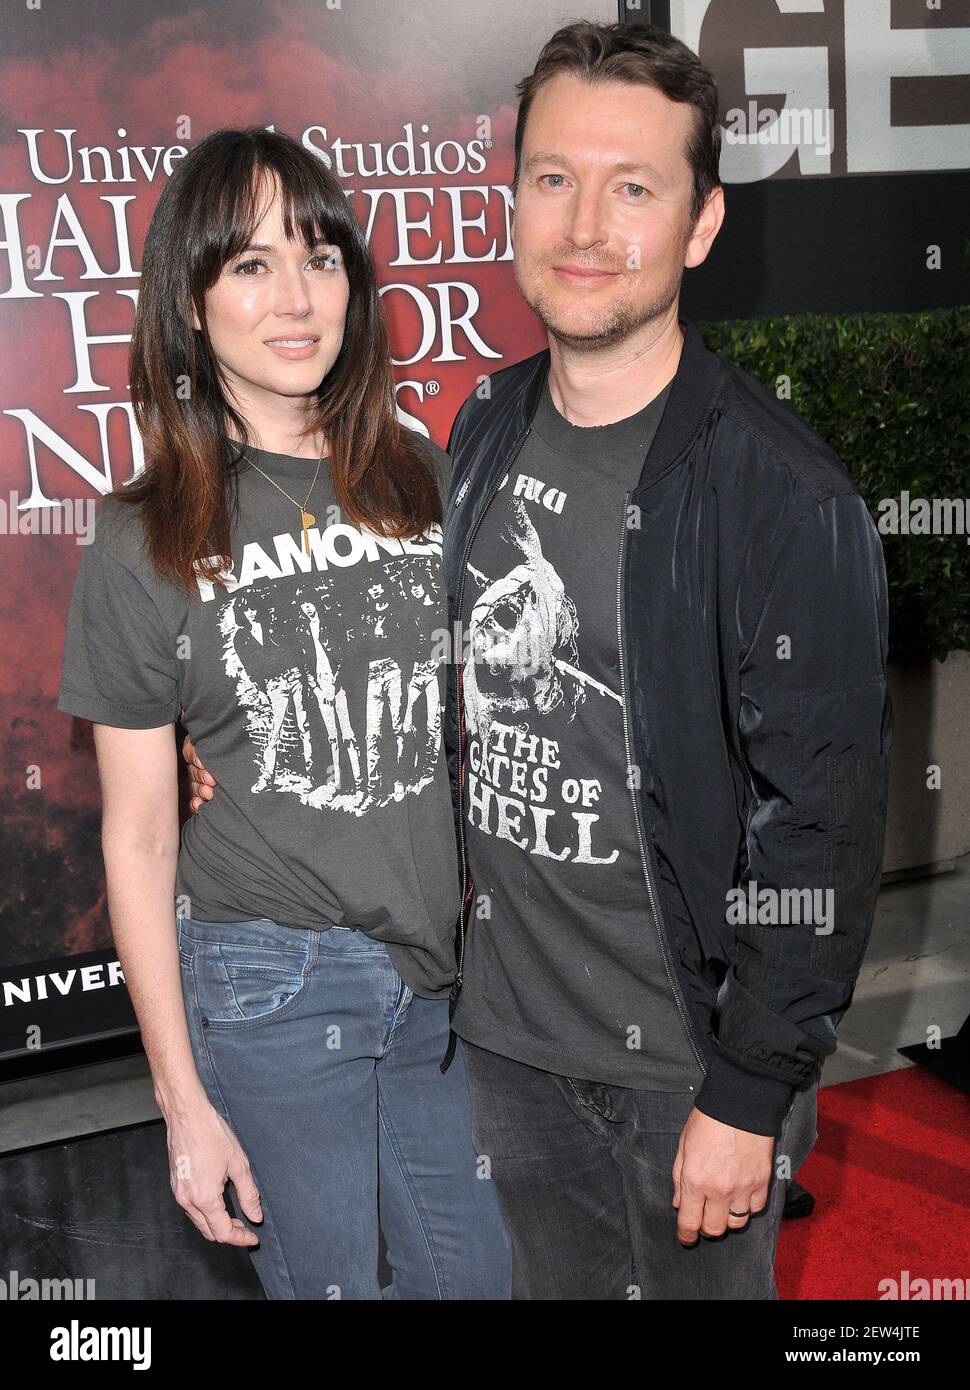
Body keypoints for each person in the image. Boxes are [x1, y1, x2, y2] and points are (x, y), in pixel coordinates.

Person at [186, 22, 892, 1300]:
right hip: (501, 1042)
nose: (584, 223)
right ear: (513, 200)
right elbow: (418, 663)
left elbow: (822, 828)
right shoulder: (488, 422)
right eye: (554, 178)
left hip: (688, 1060)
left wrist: (750, 1090)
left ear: (701, 224)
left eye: (634, 186)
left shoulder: (782, 496)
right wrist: (228, 736)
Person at [57, 126, 510, 1301]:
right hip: (268, 977)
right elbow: (141, 835)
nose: (296, 297)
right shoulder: (142, 536)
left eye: (319, 256)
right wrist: (180, 1104)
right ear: (191, 303)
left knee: (478, 1277)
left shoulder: (427, 482)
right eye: (250, 265)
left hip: (438, 973)